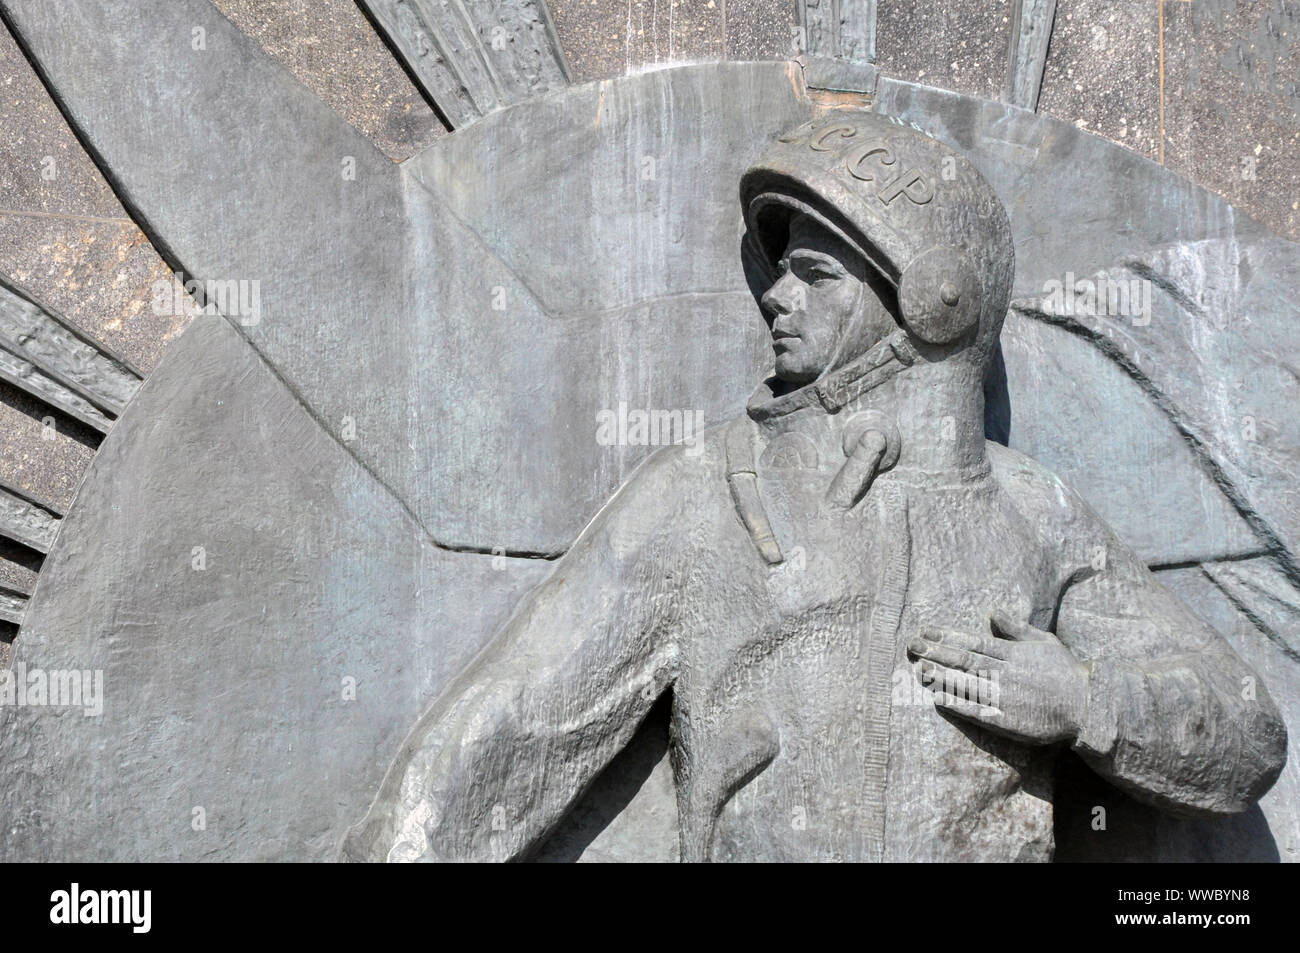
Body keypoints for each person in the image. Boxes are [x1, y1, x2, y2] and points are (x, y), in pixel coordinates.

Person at [343, 111, 1286, 862]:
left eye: (813, 272)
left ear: (931, 297)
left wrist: (1090, 700)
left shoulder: (1033, 511)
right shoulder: (705, 491)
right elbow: (510, 730)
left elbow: (1245, 733)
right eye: (778, 270)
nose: (775, 296)